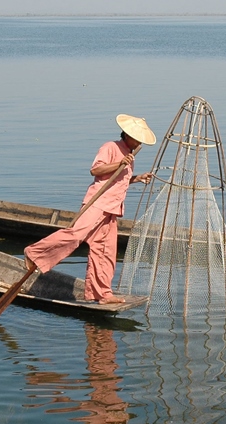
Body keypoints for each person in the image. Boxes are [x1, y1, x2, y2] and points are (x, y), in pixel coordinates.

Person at [24, 114, 156, 304]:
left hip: (112, 209)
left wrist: (138, 177)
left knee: (105, 251)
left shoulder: (129, 156)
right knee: (76, 235)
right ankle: (34, 253)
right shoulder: (110, 147)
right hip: (97, 203)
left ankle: (101, 294)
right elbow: (96, 170)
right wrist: (119, 163)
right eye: (137, 139)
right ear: (128, 135)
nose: (139, 143)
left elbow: (120, 178)